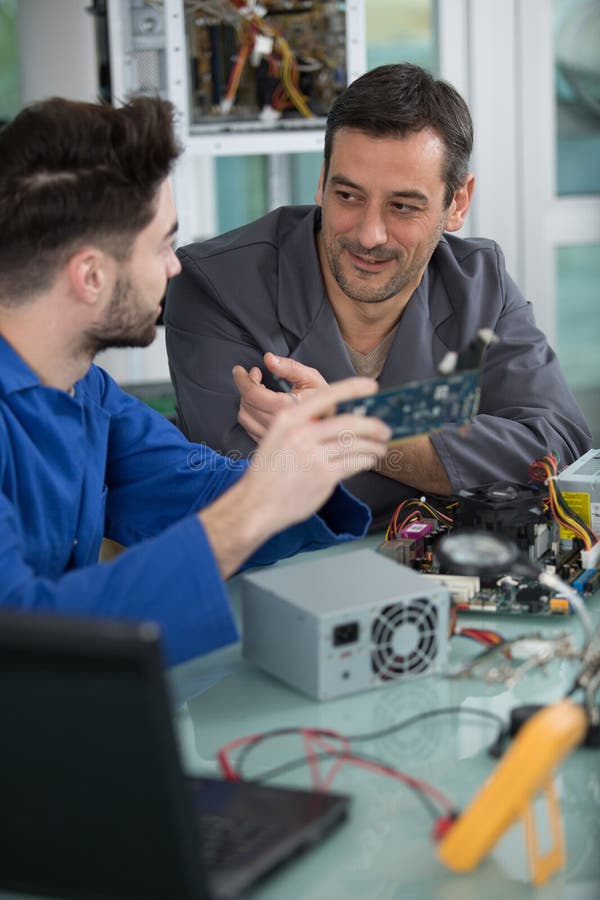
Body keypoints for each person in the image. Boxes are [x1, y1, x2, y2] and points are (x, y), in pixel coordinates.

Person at [0, 96, 393, 666]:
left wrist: (300, 462)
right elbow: (22, 639)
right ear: (90, 275)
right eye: (162, 244)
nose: (175, 266)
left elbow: (191, 491)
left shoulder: (83, 390)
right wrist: (253, 507)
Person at [164, 63, 591, 530]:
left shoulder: (479, 280)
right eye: (347, 196)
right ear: (322, 179)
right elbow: (238, 488)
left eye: (403, 206)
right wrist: (448, 461)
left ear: (458, 203)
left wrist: (351, 429)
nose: (369, 234)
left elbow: (558, 450)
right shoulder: (212, 284)